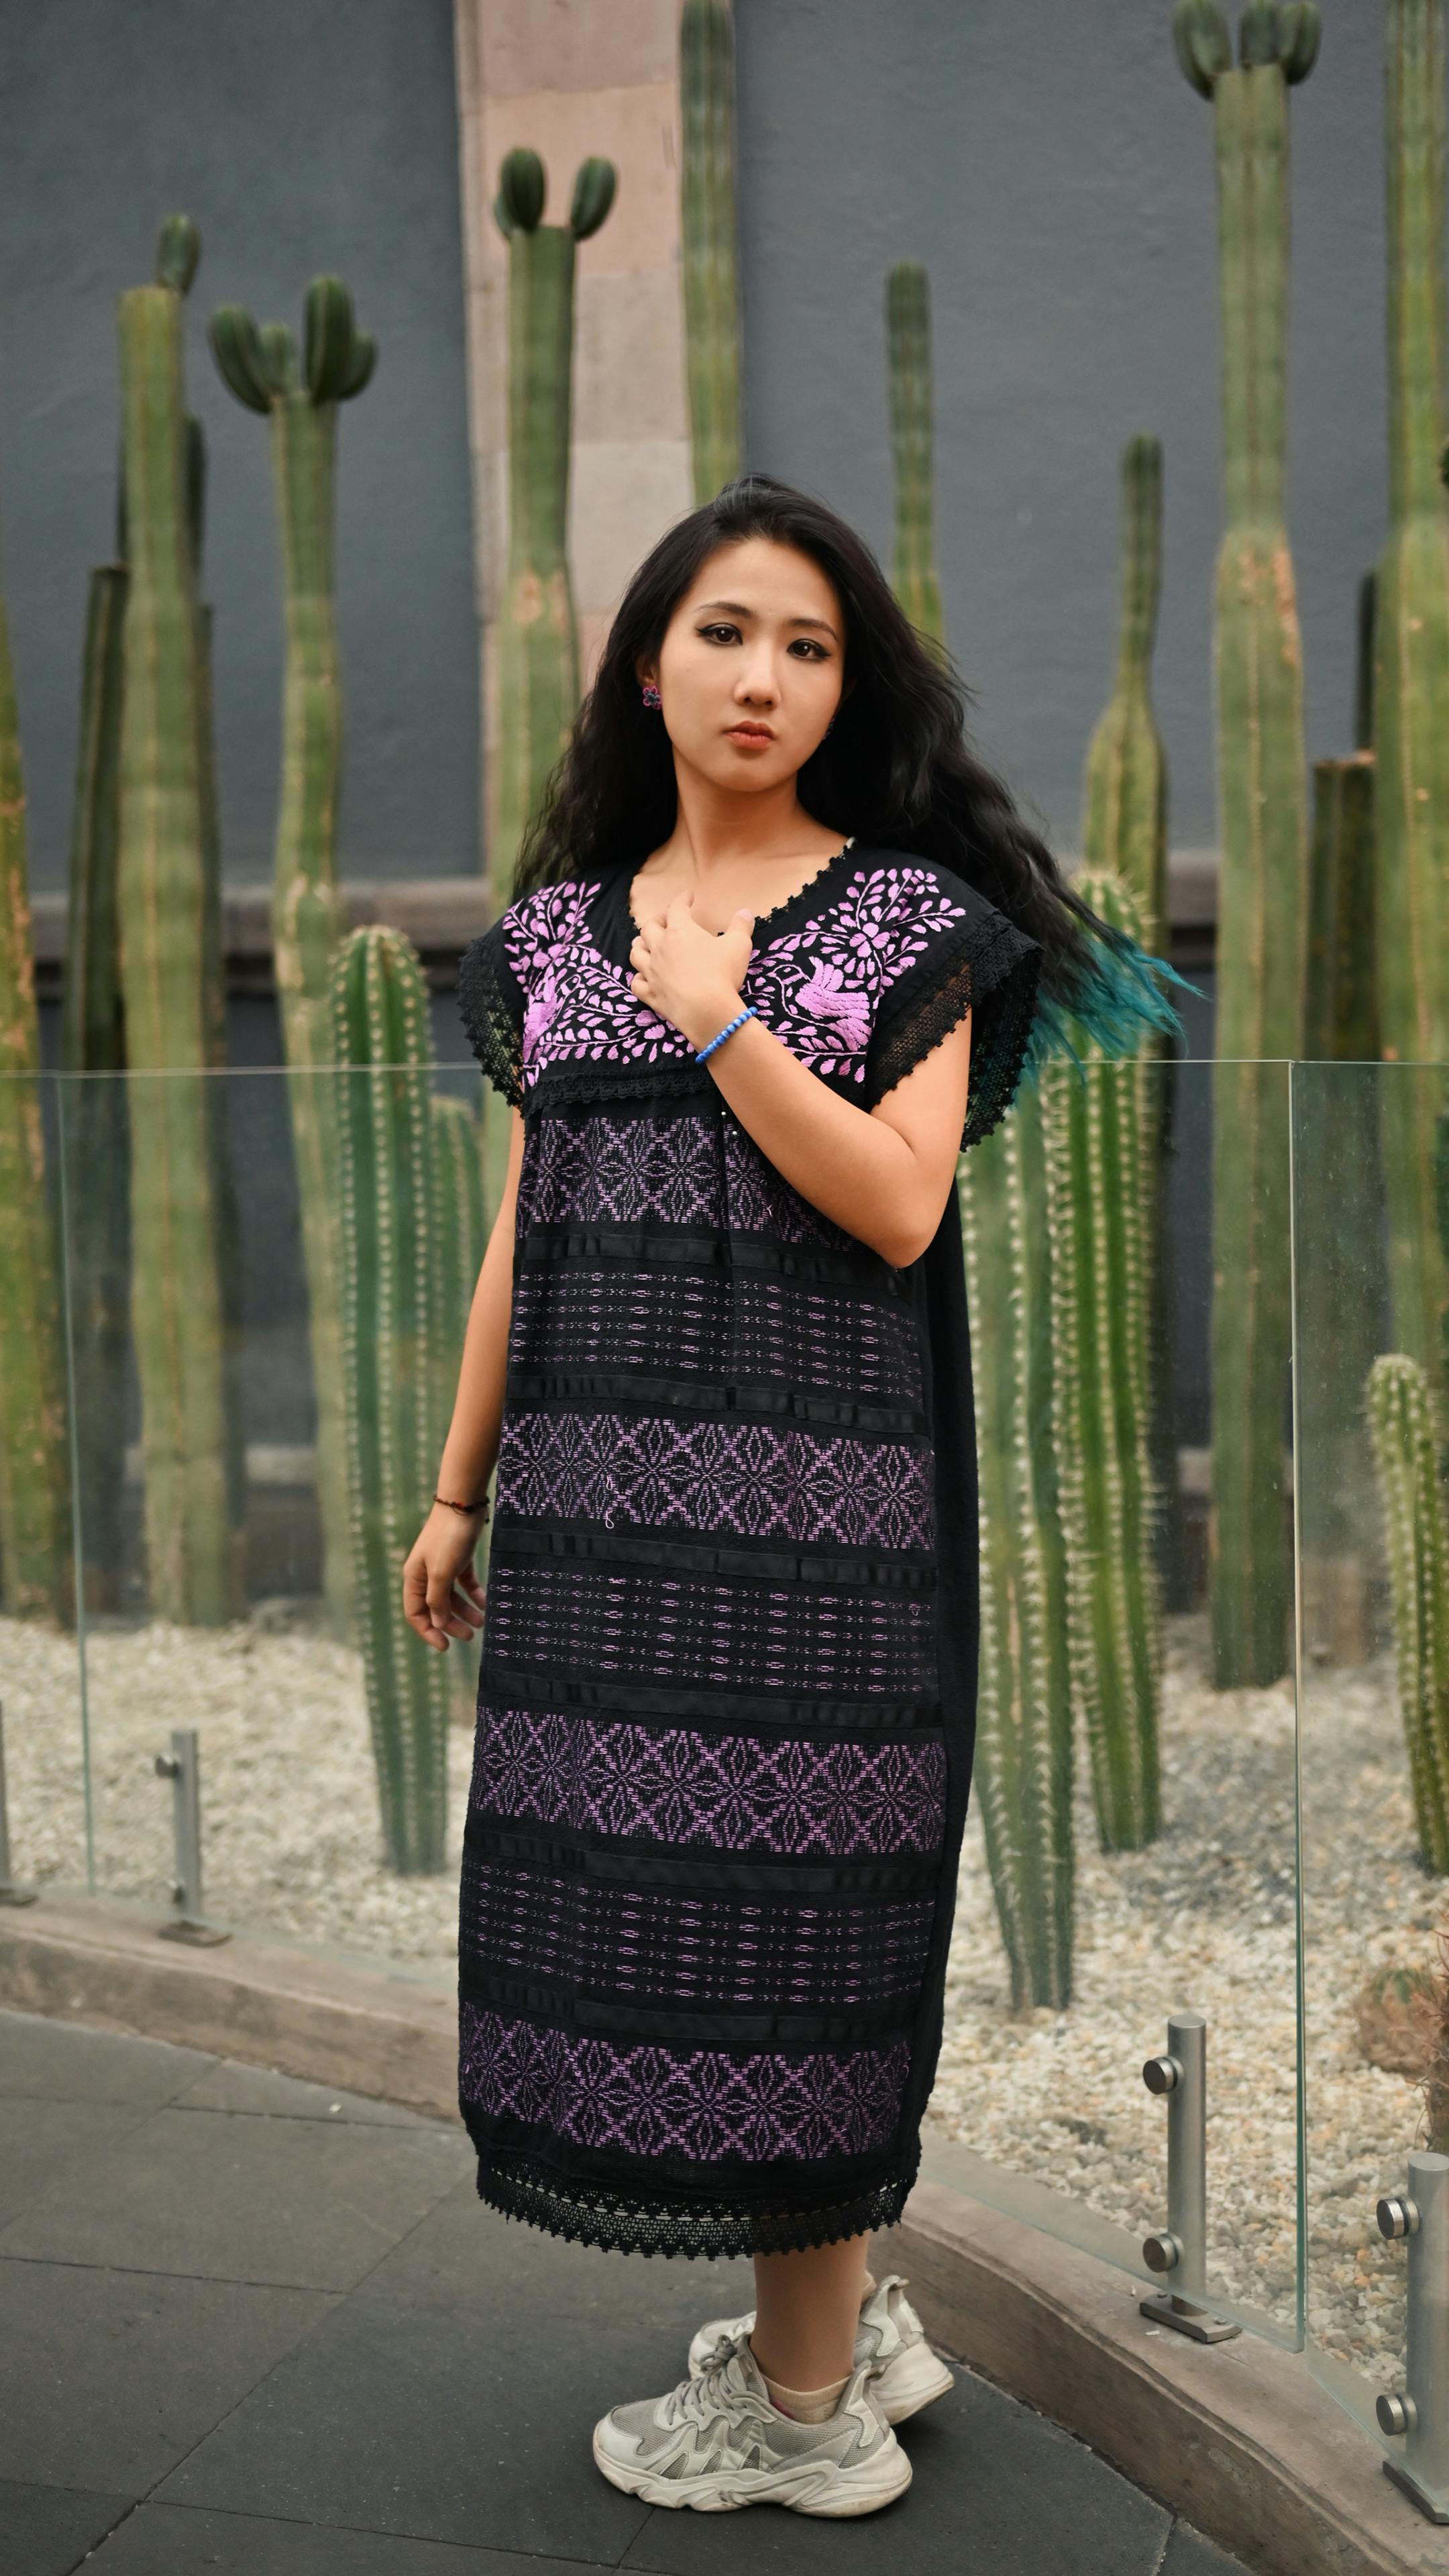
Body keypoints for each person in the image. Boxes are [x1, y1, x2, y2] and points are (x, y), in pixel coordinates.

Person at [403, 473, 1184, 2518]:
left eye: (811, 645)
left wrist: (719, 1014)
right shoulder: (557, 939)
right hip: (596, 1529)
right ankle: (832, 2334)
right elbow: (522, 1232)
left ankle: (812, 2414)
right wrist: (457, 1487)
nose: (764, 677)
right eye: (728, 633)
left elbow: (903, 1204)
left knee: (797, 1931)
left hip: (816, 1540)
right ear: (646, 665)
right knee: (659, 1930)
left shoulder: (908, 922)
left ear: (852, 687)